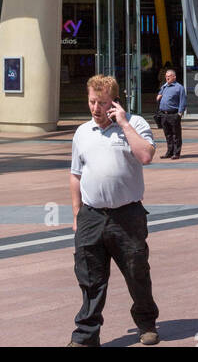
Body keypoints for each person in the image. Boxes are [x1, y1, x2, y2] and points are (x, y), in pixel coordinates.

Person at [68, 74, 159, 347]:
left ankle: (146, 324)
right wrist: (76, 214)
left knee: (136, 272)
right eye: (92, 102)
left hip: (127, 216)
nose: (96, 108)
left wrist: (123, 123)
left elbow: (146, 156)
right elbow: (75, 175)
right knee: (89, 278)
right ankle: (86, 336)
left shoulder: (136, 124)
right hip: (91, 217)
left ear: (115, 102)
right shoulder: (82, 132)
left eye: (102, 103)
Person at [155, 67, 186, 160]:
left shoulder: (179, 88)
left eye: (169, 76)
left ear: (174, 77)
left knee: (176, 135)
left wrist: (180, 114)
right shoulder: (164, 86)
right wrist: (159, 96)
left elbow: (182, 101)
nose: (167, 78)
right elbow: (158, 97)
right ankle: (169, 152)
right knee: (167, 134)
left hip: (173, 114)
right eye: (166, 76)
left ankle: (176, 153)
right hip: (164, 114)